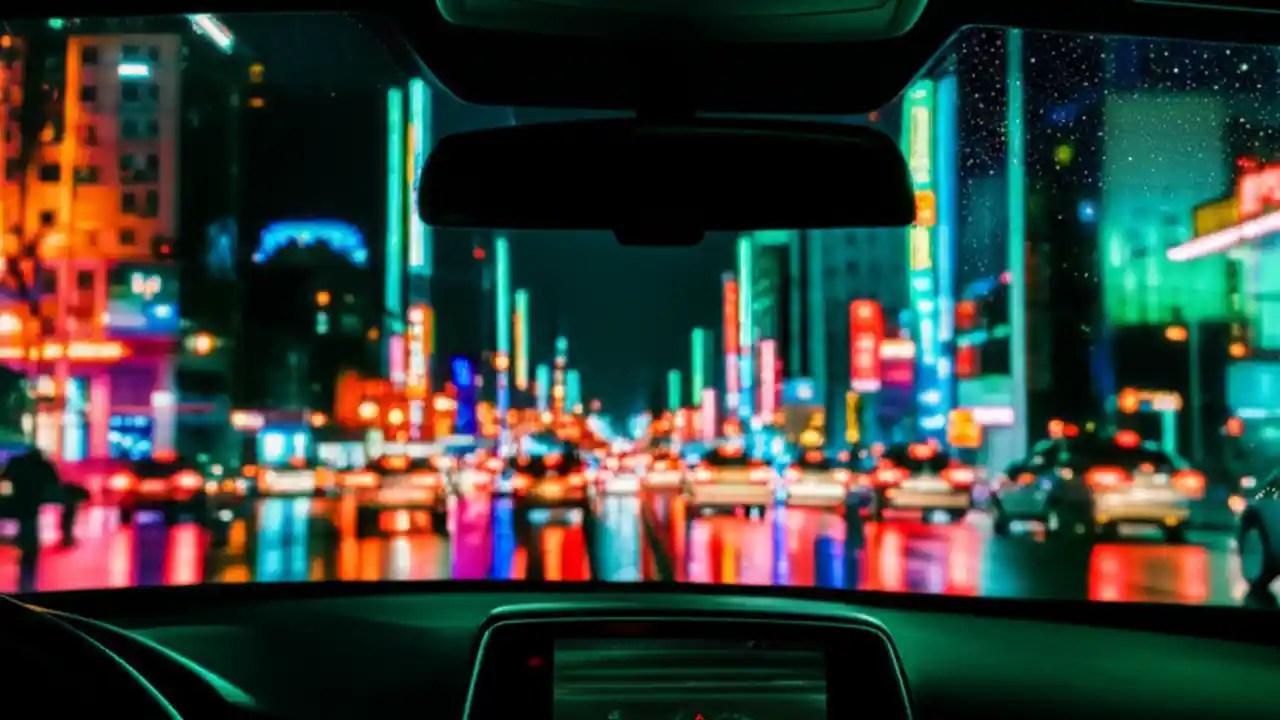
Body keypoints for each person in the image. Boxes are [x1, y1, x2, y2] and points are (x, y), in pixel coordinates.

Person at [0, 447, 79, 549]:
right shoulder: (45, 466)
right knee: (70, 503)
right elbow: (54, 483)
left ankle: (26, 539)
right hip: (37, 497)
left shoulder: (16, 464)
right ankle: (67, 536)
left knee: (26, 511)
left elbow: (4, 477)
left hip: (19, 498)